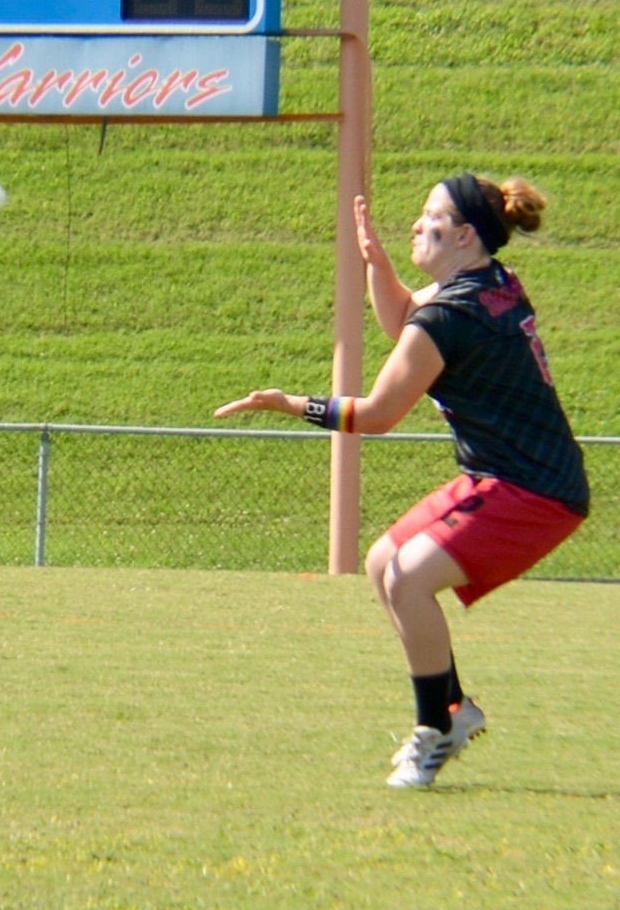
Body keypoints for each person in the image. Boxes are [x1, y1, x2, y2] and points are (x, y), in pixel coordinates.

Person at [217, 173, 586, 791]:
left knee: (410, 577)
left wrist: (290, 406)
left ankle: (433, 731)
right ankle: (457, 708)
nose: (417, 224)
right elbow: (404, 323)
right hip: (505, 475)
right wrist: (377, 262)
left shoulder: (453, 314)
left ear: (465, 235)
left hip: (534, 490)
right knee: (383, 560)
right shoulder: (489, 288)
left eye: (430, 216)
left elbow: (381, 415)